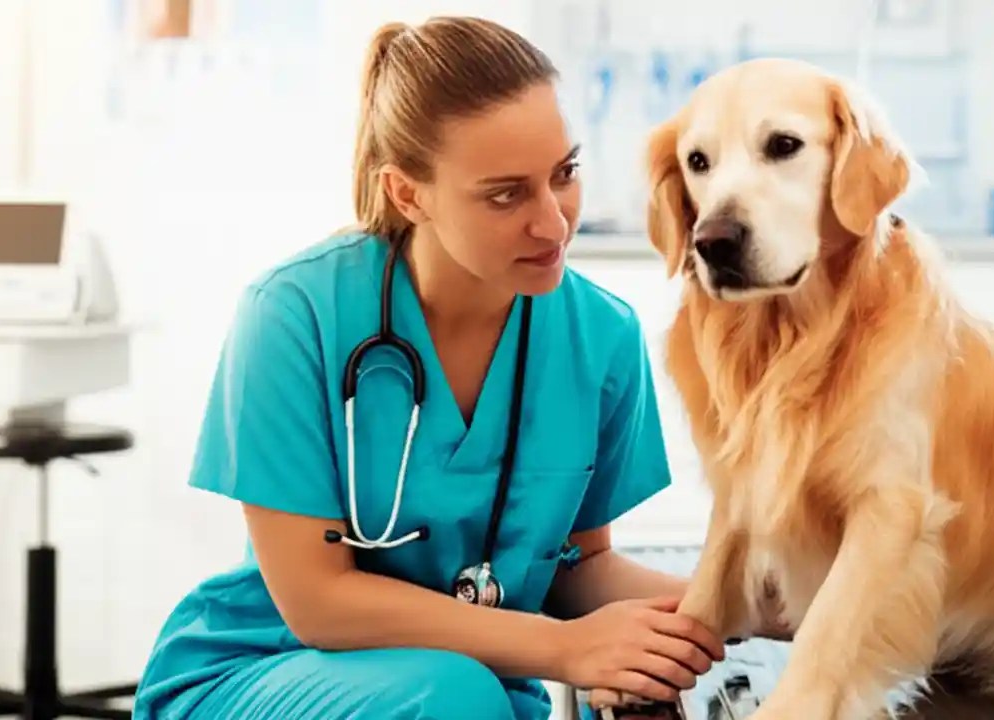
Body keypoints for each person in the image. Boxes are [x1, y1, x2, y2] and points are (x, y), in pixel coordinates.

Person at [131, 15, 724, 720]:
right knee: (457, 695)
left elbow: (576, 568)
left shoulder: (601, 334)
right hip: (265, 669)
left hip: (479, 685)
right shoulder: (294, 315)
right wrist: (566, 650)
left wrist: (741, 604)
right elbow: (319, 602)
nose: (555, 223)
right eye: (506, 194)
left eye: (563, 174)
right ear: (408, 193)